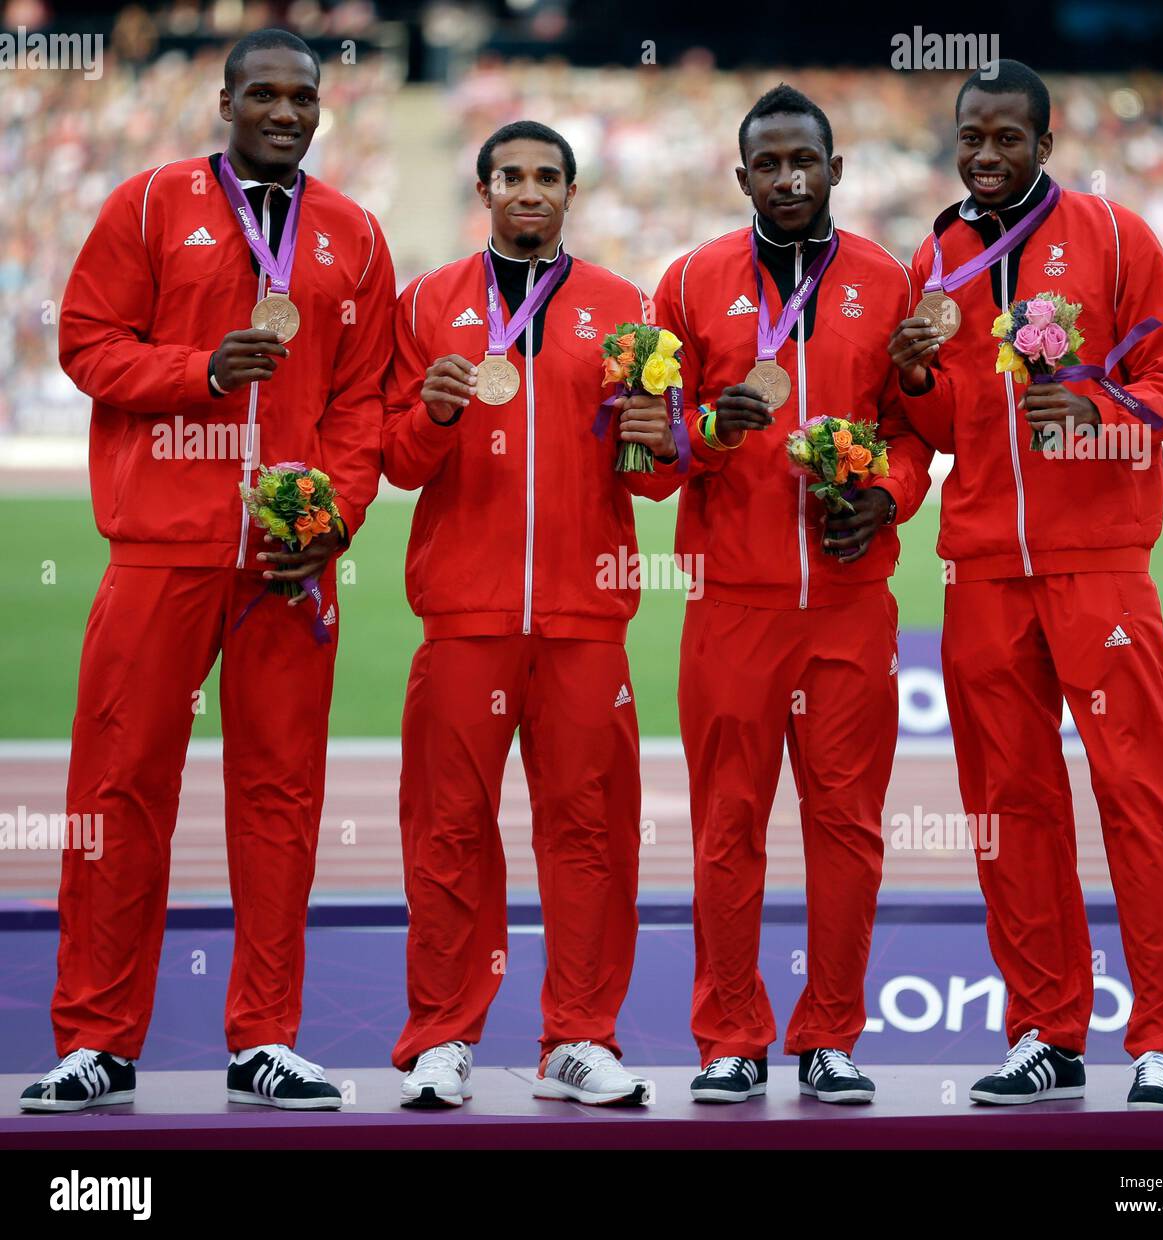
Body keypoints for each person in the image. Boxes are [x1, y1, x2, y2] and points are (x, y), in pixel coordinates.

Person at [21, 29, 395, 1113]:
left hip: (287, 560)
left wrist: (335, 518)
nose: (285, 112)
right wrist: (197, 369)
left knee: (280, 799)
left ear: (322, 109)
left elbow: (361, 405)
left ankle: (264, 1038)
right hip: (163, 548)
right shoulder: (148, 205)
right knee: (120, 788)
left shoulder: (354, 236)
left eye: (303, 97)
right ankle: (97, 1038)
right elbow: (85, 341)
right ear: (225, 99)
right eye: (264, 94)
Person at [889, 59, 1163, 1109]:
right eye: (970, 139)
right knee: (1007, 807)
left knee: (1137, 795)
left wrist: (1098, 414)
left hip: (1097, 566)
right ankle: (1044, 1027)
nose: (985, 157)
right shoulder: (934, 258)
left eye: (1006, 139)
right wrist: (913, 372)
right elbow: (935, 431)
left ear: (1045, 142)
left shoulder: (1116, 238)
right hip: (981, 567)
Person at [382, 120, 676, 1109]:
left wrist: (661, 438)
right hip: (464, 615)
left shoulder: (624, 309)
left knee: (592, 832)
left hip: (586, 614)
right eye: (510, 175)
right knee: (447, 831)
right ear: (482, 189)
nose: (529, 191)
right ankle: (441, 1039)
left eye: (547, 177)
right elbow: (395, 461)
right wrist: (429, 412)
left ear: (571, 192)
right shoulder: (425, 302)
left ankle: (579, 1038)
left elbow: (658, 480)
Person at [651, 85, 933, 1104]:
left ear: (835, 170)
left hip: (851, 603)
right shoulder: (687, 283)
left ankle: (831, 1036)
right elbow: (645, 459)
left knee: (846, 824)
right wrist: (707, 434)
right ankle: (729, 1034)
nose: (786, 179)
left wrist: (888, 500)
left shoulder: (889, 282)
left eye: (802, 161)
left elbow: (917, 436)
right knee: (727, 824)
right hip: (732, 603)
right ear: (741, 177)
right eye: (766, 164)